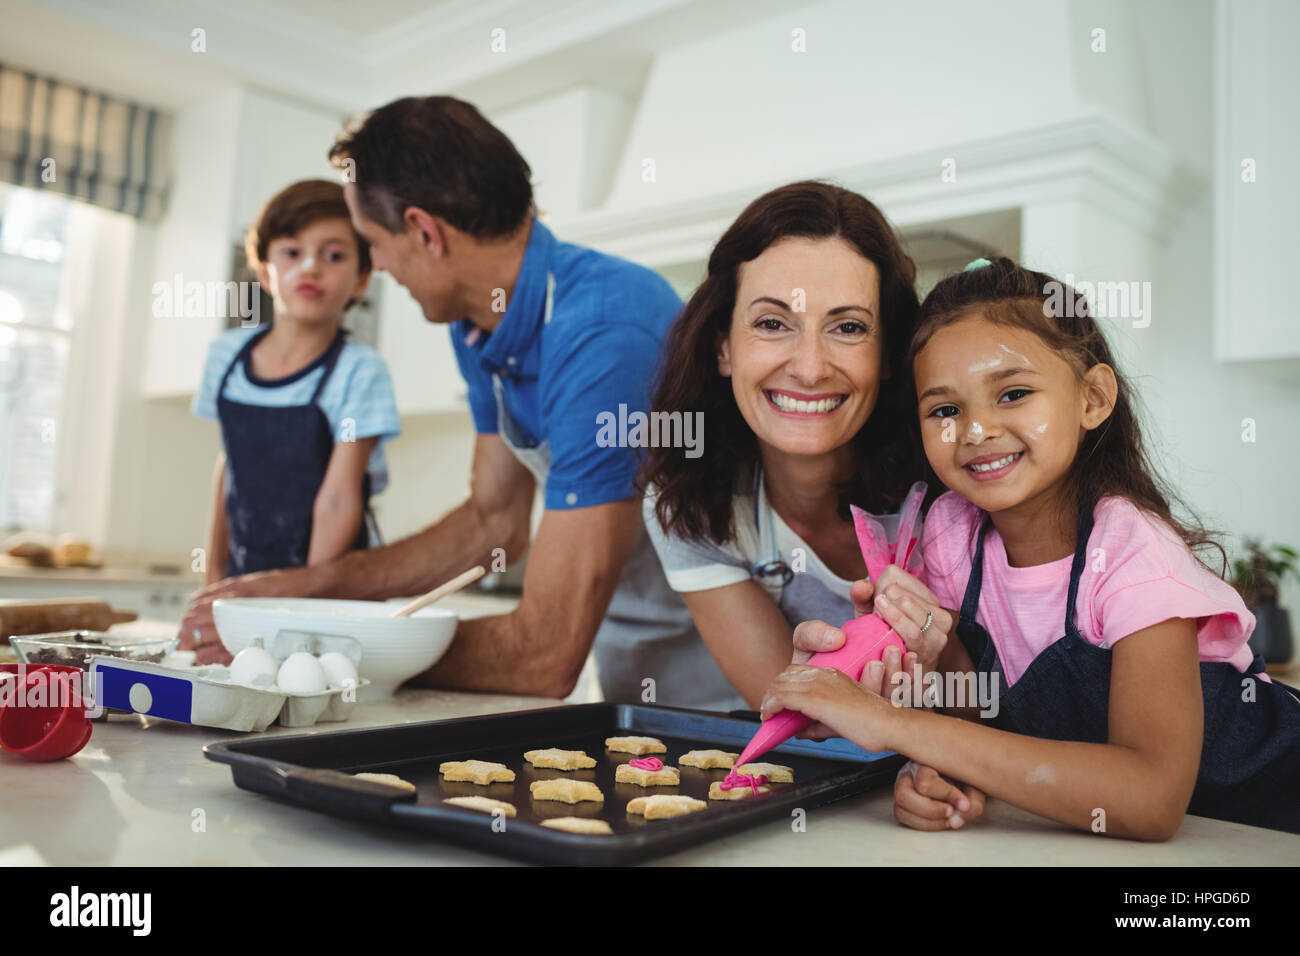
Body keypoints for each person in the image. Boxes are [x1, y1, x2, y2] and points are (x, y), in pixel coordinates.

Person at [180, 96, 738, 709]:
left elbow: (543, 654)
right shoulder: (475, 322)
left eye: (373, 243)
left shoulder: (605, 333)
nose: (381, 265)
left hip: (731, 685)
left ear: (423, 231)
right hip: (630, 661)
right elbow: (492, 520)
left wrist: (316, 645)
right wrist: (305, 592)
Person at [760, 257, 1300, 837]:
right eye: (944, 409)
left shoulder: (1131, 555)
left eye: (1013, 393)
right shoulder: (950, 536)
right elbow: (976, 710)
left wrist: (893, 727)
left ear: (1092, 398)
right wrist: (939, 760)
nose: (974, 430)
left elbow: (1150, 798)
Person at [641, 181, 937, 708]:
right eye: (773, 323)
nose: (809, 367)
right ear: (724, 347)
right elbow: (795, 715)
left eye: (847, 327)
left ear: (888, 355)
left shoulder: (948, 490)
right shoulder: (690, 504)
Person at [192, 179, 400, 583]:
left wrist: (302, 596)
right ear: (266, 274)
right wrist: (215, 581)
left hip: (332, 584)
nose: (310, 267)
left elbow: (339, 500)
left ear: (361, 280)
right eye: (291, 252)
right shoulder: (226, 357)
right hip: (246, 578)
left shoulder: (360, 372)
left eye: (334, 255)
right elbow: (229, 469)